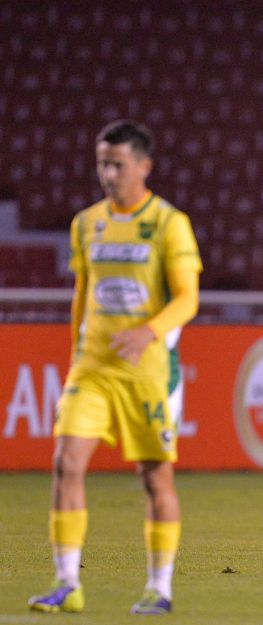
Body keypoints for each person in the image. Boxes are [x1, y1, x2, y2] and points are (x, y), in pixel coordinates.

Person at [28, 120, 202, 615]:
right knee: (65, 463)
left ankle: (159, 589)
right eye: (102, 162)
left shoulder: (169, 223)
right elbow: (82, 296)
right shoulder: (86, 223)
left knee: (155, 479)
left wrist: (147, 331)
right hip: (93, 369)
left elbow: (188, 298)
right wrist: (73, 356)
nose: (107, 173)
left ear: (144, 166)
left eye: (117, 164)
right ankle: (67, 583)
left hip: (148, 370)